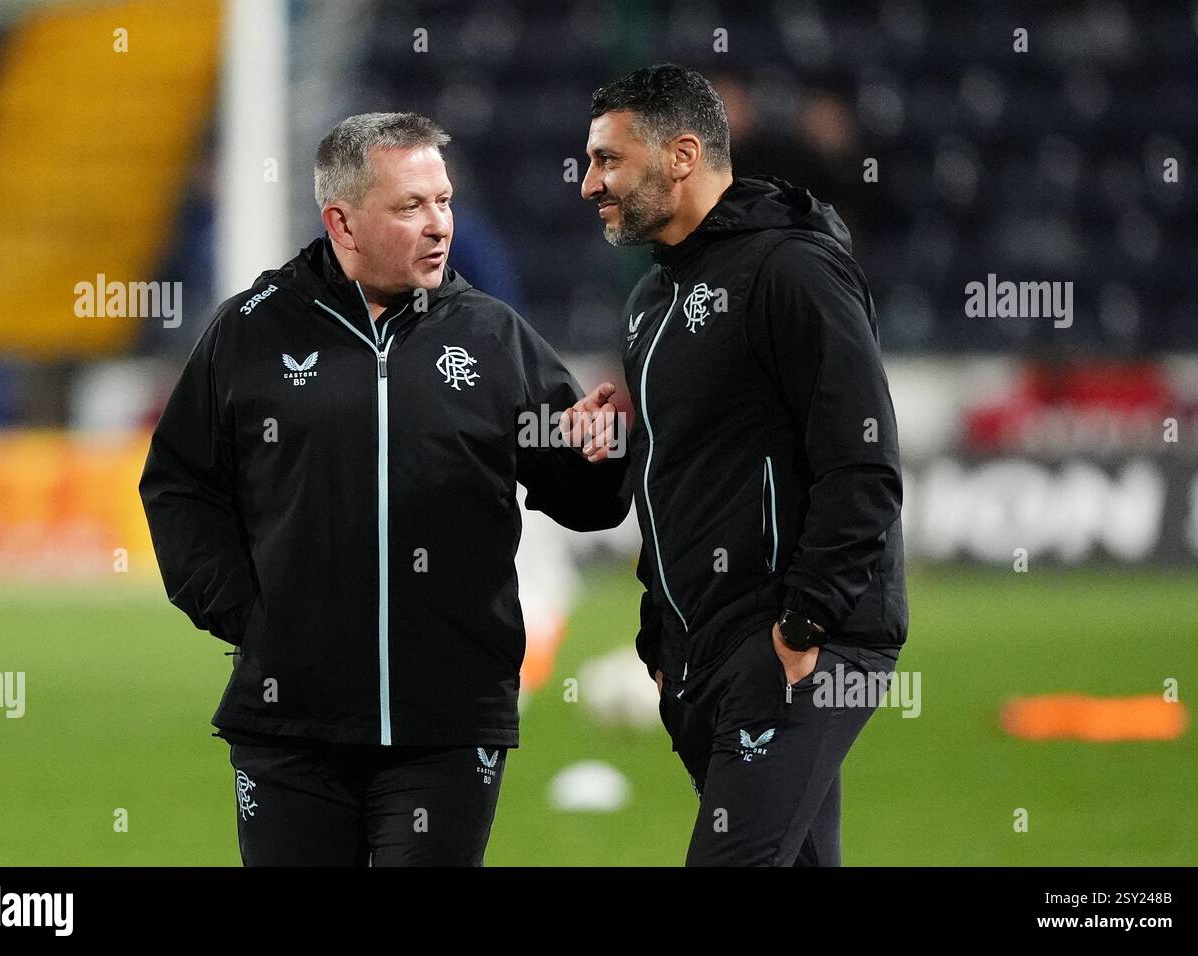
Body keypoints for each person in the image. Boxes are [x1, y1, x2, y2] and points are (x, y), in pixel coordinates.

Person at [139, 111, 629, 866]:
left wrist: (598, 453)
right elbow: (178, 487)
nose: (439, 225)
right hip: (288, 725)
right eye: (411, 206)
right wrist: (248, 612)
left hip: (449, 722)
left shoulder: (494, 340)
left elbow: (584, 500)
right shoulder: (250, 333)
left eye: (444, 201)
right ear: (342, 220)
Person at [581, 64, 908, 866]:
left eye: (607, 160)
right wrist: (661, 640)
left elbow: (862, 463)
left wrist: (804, 627)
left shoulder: (793, 270)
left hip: (799, 647)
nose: (590, 184)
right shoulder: (650, 306)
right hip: (703, 658)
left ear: (683, 155)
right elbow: (682, 479)